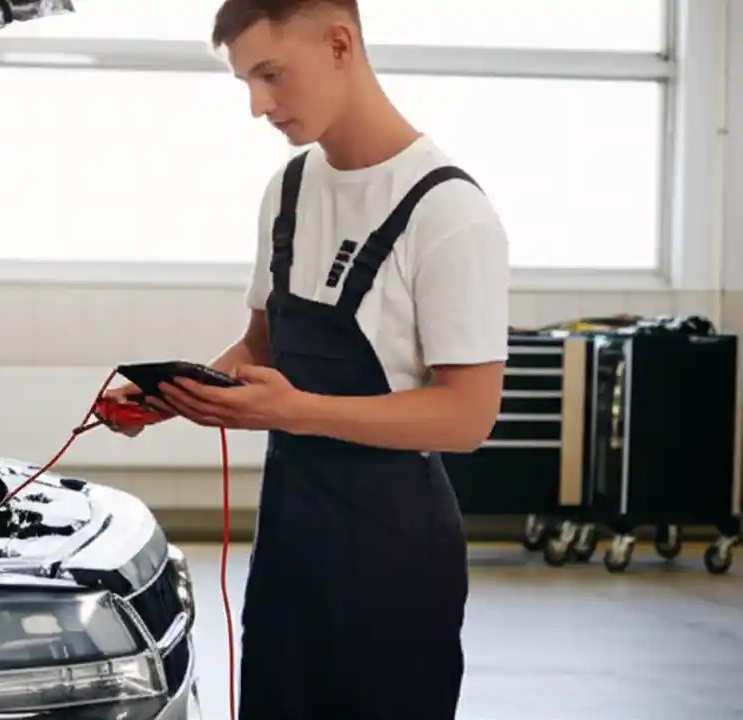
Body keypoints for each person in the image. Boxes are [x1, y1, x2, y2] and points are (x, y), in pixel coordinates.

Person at [100, 1, 509, 717]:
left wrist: (296, 412)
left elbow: (467, 418)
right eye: (245, 83)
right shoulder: (288, 190)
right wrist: (172, 396)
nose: (259, 105)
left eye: (271, 74)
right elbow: (261, 347)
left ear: (340, 44)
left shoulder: (449, 212)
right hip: (291, 535)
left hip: (396, 554)